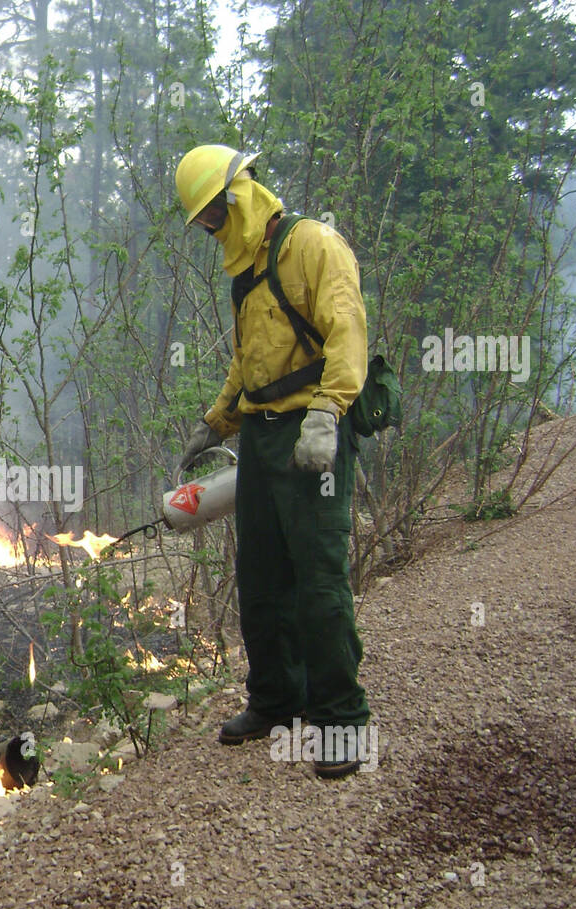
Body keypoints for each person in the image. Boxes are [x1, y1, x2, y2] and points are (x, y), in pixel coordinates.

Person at [174, 144, 371, 779]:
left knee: (317, 578)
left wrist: (325, 416)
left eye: (210, 218)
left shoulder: (312, 245)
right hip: (260, 436)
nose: (210, 232)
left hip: (310, 427)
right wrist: (216, 423)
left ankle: (341, 719)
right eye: (203, 224)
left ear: (236, 197)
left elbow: (348, 330)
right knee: (260, 575)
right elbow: (246, 361)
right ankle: (276, 700)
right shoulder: (245, 274)